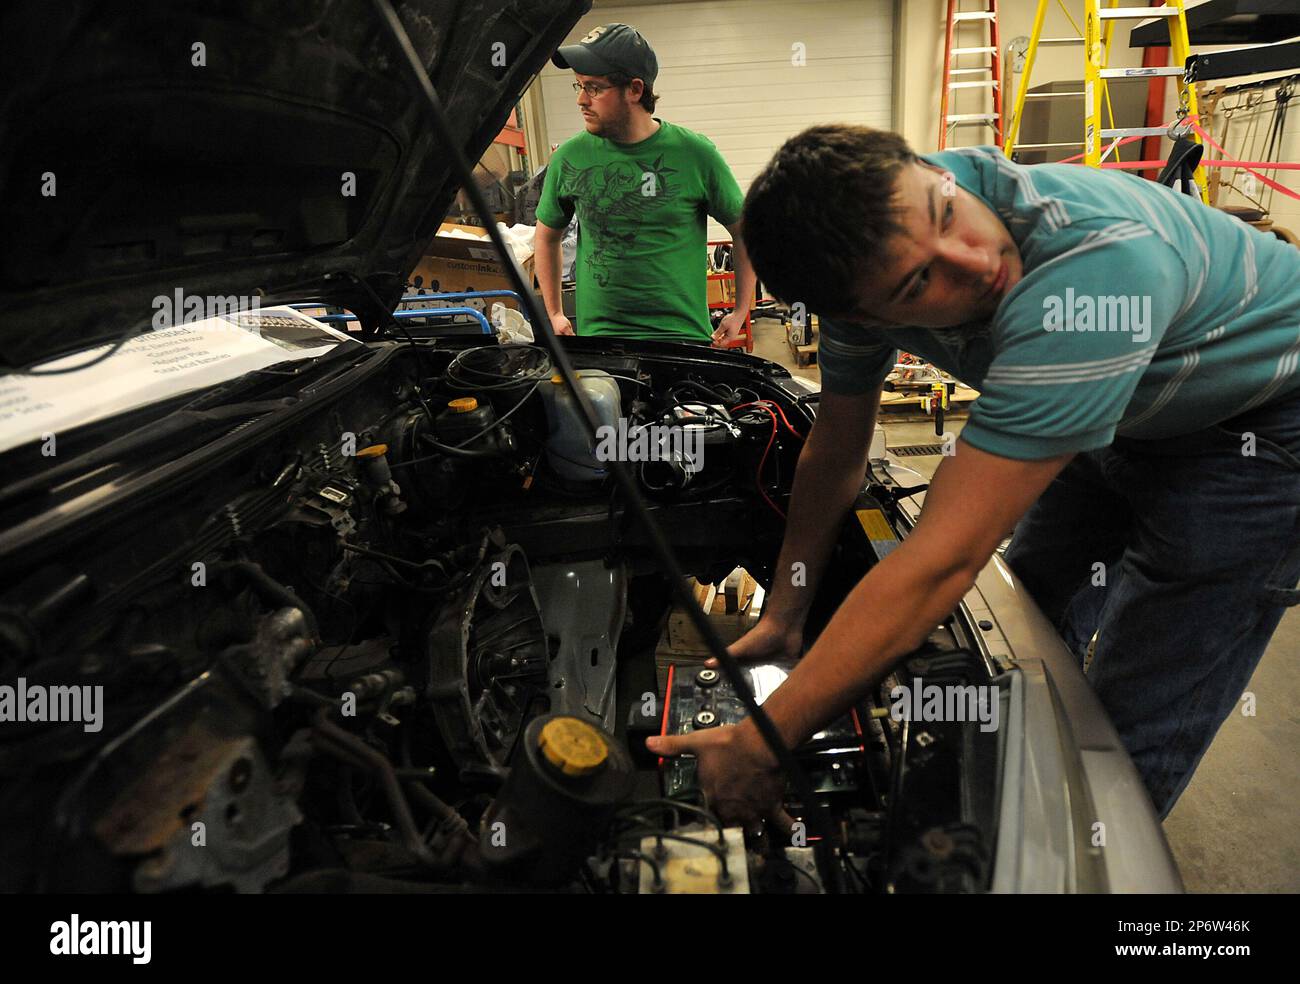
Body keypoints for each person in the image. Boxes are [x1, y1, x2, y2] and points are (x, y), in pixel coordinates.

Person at [646, 124, 1300, 827]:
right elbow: (837, 442)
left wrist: (765, 738)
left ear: (927, 168)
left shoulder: (1098, 268)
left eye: (946, 210)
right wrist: (786, 609)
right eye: (920, 281)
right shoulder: (863, 250)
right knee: (1027, 621)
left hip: (1261, 431)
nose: (976, 258)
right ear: (855, 314)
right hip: (1136, 401)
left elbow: (942, 560)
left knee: (1130, 720)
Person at [534, 23, 755, 346]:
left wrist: (741, 309)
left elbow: (744, 230)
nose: (582, 100)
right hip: (601, 342)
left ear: (635, 90)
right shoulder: (569, 158)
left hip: (683, 339)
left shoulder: (695, 154)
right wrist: (554, 313)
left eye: (594, 88)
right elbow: (546, 236)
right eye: (578, 86)